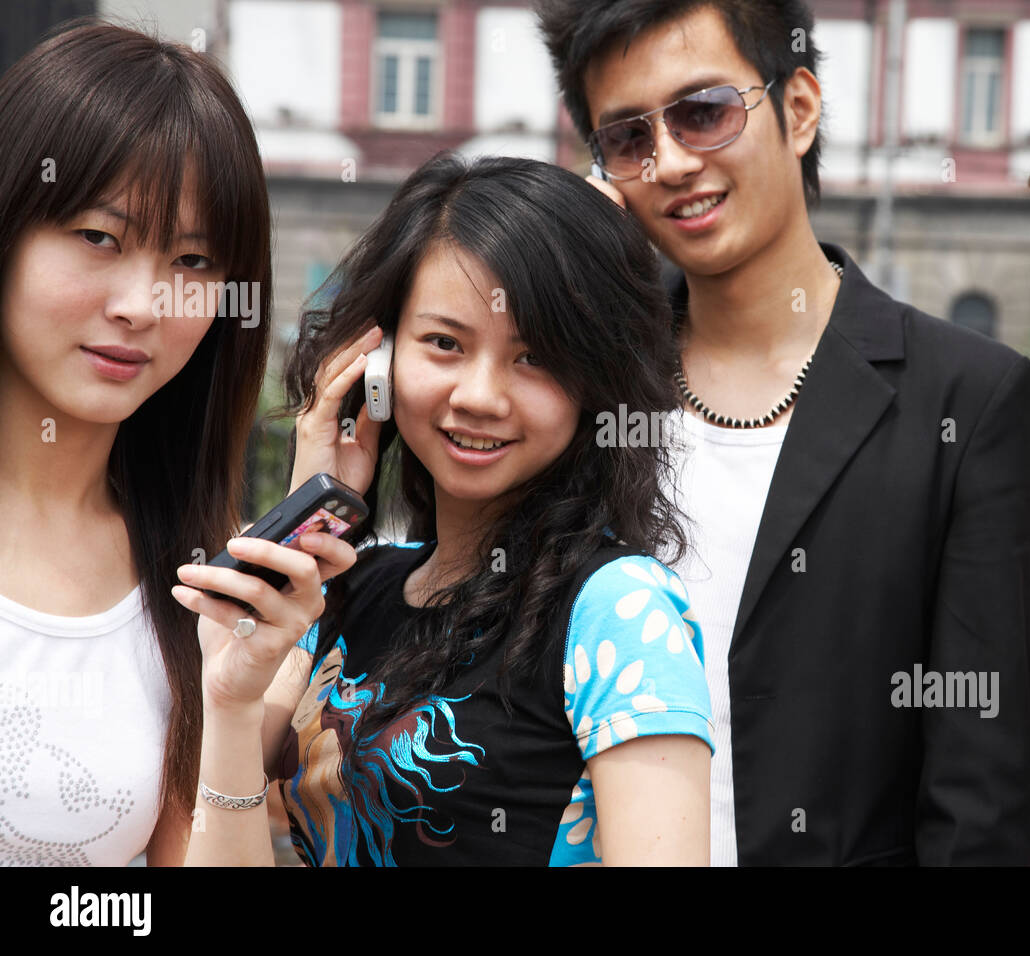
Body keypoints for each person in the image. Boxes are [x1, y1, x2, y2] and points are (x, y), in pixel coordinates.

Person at [537, 0, 1030, 864]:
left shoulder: (966, 400)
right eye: (628, 139)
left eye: (703, 114)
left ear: (798, 109)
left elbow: (975, 796)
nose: (669, 164)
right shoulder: (580, 391)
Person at [172, 152, 714, 866]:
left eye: (535, 357)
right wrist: (313, 508)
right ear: (378, 364)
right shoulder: (344, 589)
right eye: (444, 344)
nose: (480, 396)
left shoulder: (619, 607)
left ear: (597, 381)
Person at [0, 20, 272, 864]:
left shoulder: (187, 570)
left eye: (192, 262)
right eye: (99, 238)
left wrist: (230, 705)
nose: (142, 304)